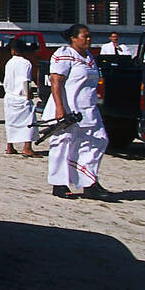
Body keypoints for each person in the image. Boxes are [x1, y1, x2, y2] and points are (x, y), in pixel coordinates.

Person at [44, 23, 111, 199]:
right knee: (64, 144)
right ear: (73, 38)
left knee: (98, 141)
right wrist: (60, 107)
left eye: (90, 36)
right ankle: (59, 184)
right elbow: (56, 81)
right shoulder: (64, 54)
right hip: (68, 109)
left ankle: (88, 182)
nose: (88, 39)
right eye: (84, 36)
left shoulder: (89, 56)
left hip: (88, 109)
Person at [2, 41, 38, 157]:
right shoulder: (26, 63)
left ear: (13, 51)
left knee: (10, 122)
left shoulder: (9, 63)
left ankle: (10, 146)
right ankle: (27, 147)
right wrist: (28, 94)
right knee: (29, 122)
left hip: (9, 95)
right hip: (21, 96)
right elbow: (25, 81)